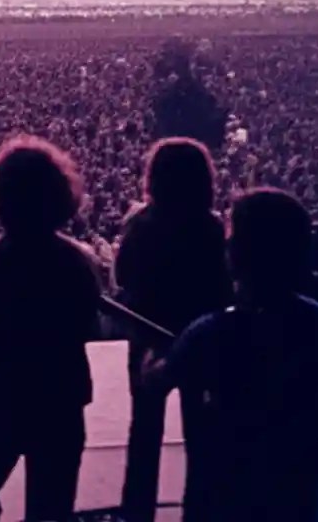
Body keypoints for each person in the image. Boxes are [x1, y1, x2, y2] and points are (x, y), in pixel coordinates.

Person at [0, 136, 104, 522]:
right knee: (51, 508)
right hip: (61, 396)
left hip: (2, 394)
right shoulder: (83, 260)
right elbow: (91, 327)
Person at [142, 188, 318, 522]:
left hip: (223, 488)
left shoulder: (209, 332)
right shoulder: (317, 319)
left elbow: (157, 381)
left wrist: (151, 356)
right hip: (292, 484)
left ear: (237, 255)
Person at [116, 138, 232, 522]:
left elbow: (122, 275)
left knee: (144, 429)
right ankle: (200, 511)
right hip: (198, 336)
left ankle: (137, 511)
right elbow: (222, 285)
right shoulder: (211, 226)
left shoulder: (140, 224)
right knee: (201, 433)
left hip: (147, 335)